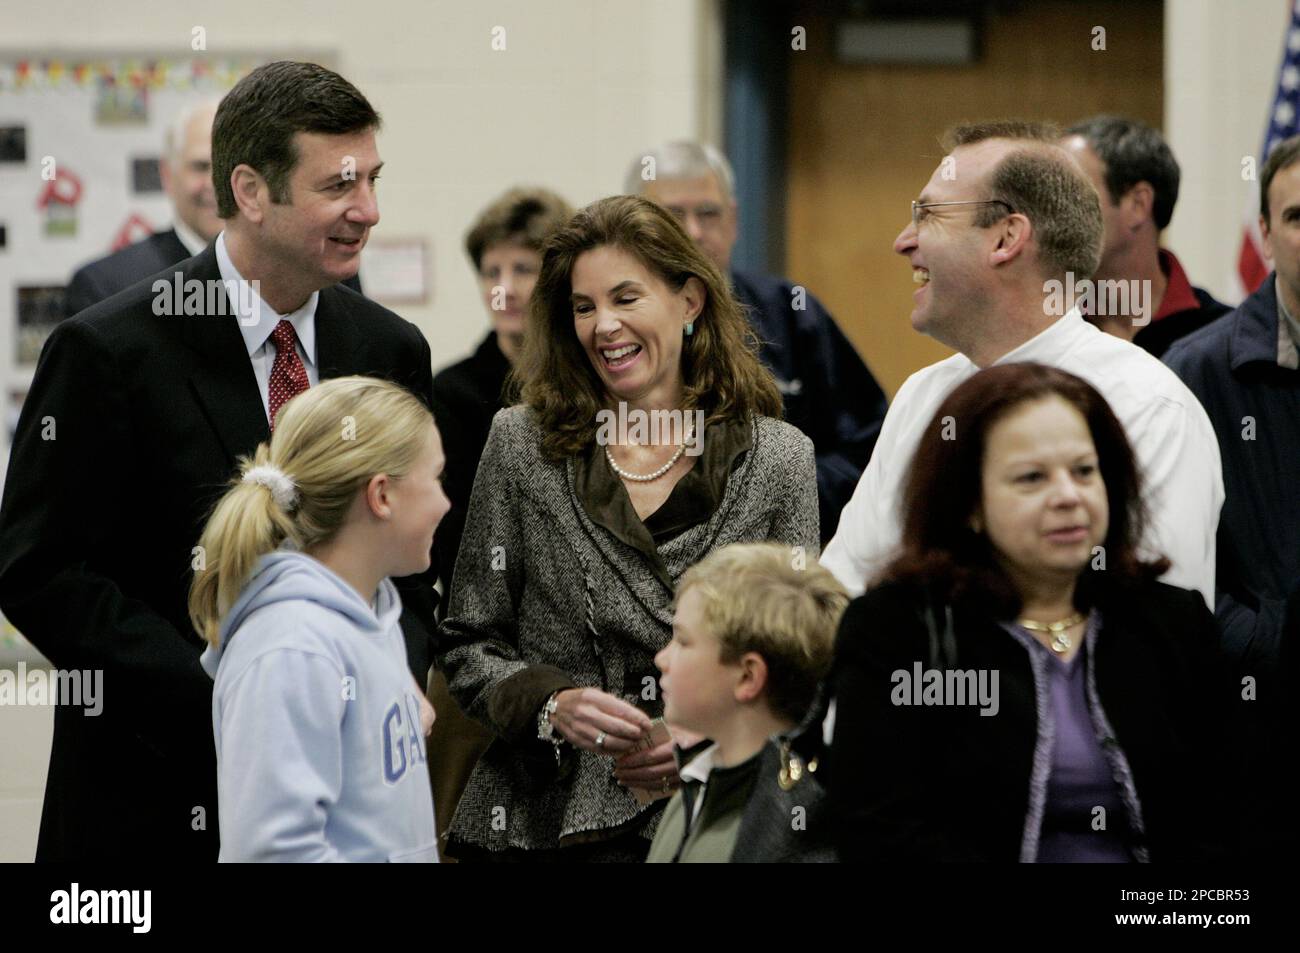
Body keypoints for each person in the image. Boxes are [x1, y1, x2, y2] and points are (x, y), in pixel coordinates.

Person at [0, 61, 438, 861]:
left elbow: (410, 566)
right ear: (249, 190)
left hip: (348, 793)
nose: (368, 211)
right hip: (148, 795)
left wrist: (383, 678)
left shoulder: (387, 348)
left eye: (373, 180)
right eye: (339, 185)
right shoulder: (109, 349)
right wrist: (239, 702)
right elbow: (41, 569)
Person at [436, 195, 818, 861]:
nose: (603, 326)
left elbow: (801, 665)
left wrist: (702, 737)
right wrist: (550, 704)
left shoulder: (779, 459)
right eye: (583, 307)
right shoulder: (521, 444)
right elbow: (468, 641)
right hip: (541, 822)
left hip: (711, 819)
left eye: (625, 298)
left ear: (690, 301)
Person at [829, 363, 1238, 862]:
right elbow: (879, 836)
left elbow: (1227, 821)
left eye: (1085, 471)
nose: (1068, 496)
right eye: (1031, 478)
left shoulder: (1171, 620)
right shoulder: (898, 631)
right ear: (970, 505)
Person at [821, 120, 1223, 610]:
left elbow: (1157, 627)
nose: (903, 241)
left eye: (928, 215)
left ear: (1006, 238)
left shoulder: (1147, 405)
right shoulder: (923, 396)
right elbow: (844, 590)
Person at [191, 377, 445, 862]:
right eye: (435, 479)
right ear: (382, 496)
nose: (444, 503)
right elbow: (273, 853)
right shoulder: (291, 648)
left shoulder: (373, 616)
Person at [627, 140, 886, 544]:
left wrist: (775, 493)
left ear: (733, 222)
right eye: (673, 215)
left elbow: (870, 451)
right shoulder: (611, 333)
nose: (694, 232)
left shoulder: (793, 313)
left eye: (708, 214)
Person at [1164, 133, 1300, 860]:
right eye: (1299, 216)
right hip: (1254, 735)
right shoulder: (1196, 372)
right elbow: (1164, 559)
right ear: (1267, 240)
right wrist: (1263, 645)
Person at [426, 186, 571, 855]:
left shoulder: (591, 388)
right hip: (476, 654)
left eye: (523, 269)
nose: (505, 287)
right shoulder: (452, 391)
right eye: (491, 271)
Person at [63, 101, 363, 318]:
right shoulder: (108, 285)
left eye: (230, 168)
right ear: (168, 175)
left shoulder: (321, 269)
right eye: (201, 166)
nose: (217, 184)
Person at [646, 543, 847, 863]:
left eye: (683, 641)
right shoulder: (693, 788)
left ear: (748, 677)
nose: (661, 658)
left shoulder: (789, 837)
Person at [1061, 116, 1229, 356]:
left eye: (1071, 192)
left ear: (1138, 204)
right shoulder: (1043, 329)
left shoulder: (1224, 338)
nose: (1051, 212)